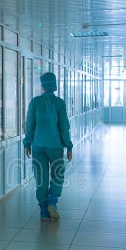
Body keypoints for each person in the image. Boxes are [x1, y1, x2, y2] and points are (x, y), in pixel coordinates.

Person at [23, 72, 73, 220]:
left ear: (43, 84)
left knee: (41, 178)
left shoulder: (35, 102)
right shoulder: (59, 103)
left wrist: (27, 143)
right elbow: (64, 127)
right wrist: (69, 146)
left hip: (38, 146)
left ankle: (44, 211)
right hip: (55, 146)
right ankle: (52, 201)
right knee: (57, 175)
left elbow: (30, 125)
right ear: (54, 84)